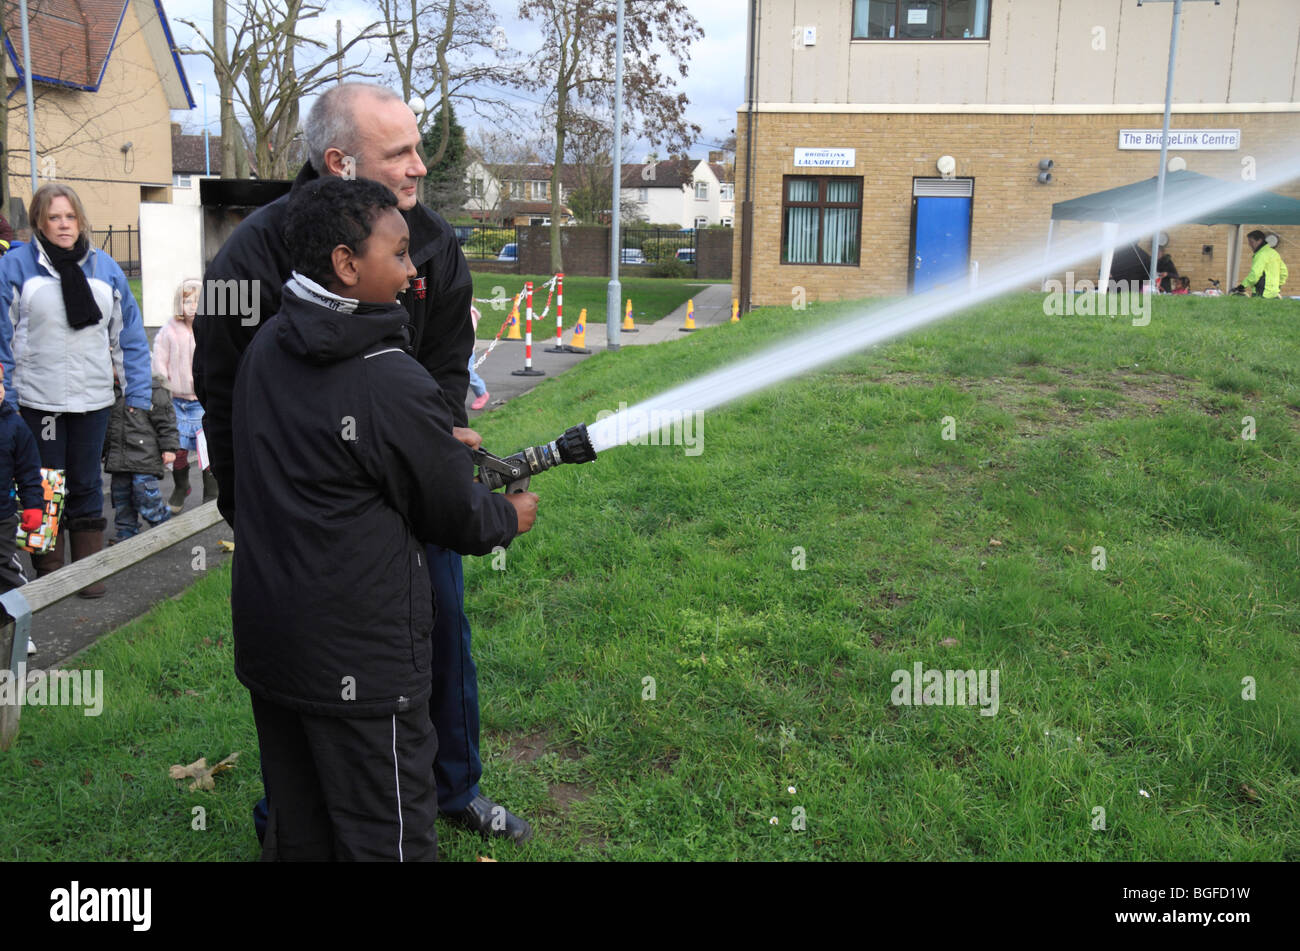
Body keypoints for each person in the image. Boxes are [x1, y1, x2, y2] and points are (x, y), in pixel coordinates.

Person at [194, 82, 533, 842]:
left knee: (439, 635)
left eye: (418, 146)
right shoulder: (251, 260)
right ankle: (293, 810)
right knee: (304, 656)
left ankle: (453, 787)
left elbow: (446, 367)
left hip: (415, 483)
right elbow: (221, 387)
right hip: (296, 511)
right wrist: (251, 510)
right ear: (341, 164)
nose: (420, 166)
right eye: (401, 152)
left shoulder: (434, 244)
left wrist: (438, 448)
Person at [0, 183, 152, 598]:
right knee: (45, 485)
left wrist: (138, 392)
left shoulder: (106, 269)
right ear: (38, 222)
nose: (63, 225)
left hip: (93, 400)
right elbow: (2, 337)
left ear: (81, 220)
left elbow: (130, 336)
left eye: (69, 217)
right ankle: (50, 573)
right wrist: (6, 399)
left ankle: (87, 570)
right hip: (36, 400)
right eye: (54, 217)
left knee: (86, 483)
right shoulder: (16, 268)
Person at [153, 278, 214, 513]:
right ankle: (181, 485)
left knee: (206, 447)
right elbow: (159, 359)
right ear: (179, 304)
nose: (192, 306)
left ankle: (212, 491)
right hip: (177, 402)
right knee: (177, 447)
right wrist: (163, 382)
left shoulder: (210, 329)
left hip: (201, 401)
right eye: (187, 301)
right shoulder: (169, 331)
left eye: (198, 301)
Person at [0, 362, 47, 656]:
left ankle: (19, 629)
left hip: (2, 516)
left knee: (6, 570)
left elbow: (29, 473)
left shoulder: (14, 426)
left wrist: (33, 507)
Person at [102, 371, 178, 543]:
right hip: (119, 458)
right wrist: (104, 450)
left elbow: (166, 422)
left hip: (144, 455)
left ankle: (160, 521)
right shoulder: (111, 391)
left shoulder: (152, 390)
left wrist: (169, 448)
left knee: (144, 493)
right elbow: (106, 426)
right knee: (121, 496)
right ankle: (126, 529)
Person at [1235, 231, 1289, 299]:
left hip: (1261, 294)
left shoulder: (1261, 255)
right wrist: (1277, 286)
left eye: (1251, 242)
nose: (1249, 244)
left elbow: (1255, 275)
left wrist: (1242, 286)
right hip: (1274, 294)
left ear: (1259, 241)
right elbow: (1284, 273)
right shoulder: (1274, 253)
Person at [468, 304, 490, 411]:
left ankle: (481, 393)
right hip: (451, 348)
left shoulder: (470, 312)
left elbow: (469, 330)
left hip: (466, 350)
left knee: (468, 373)